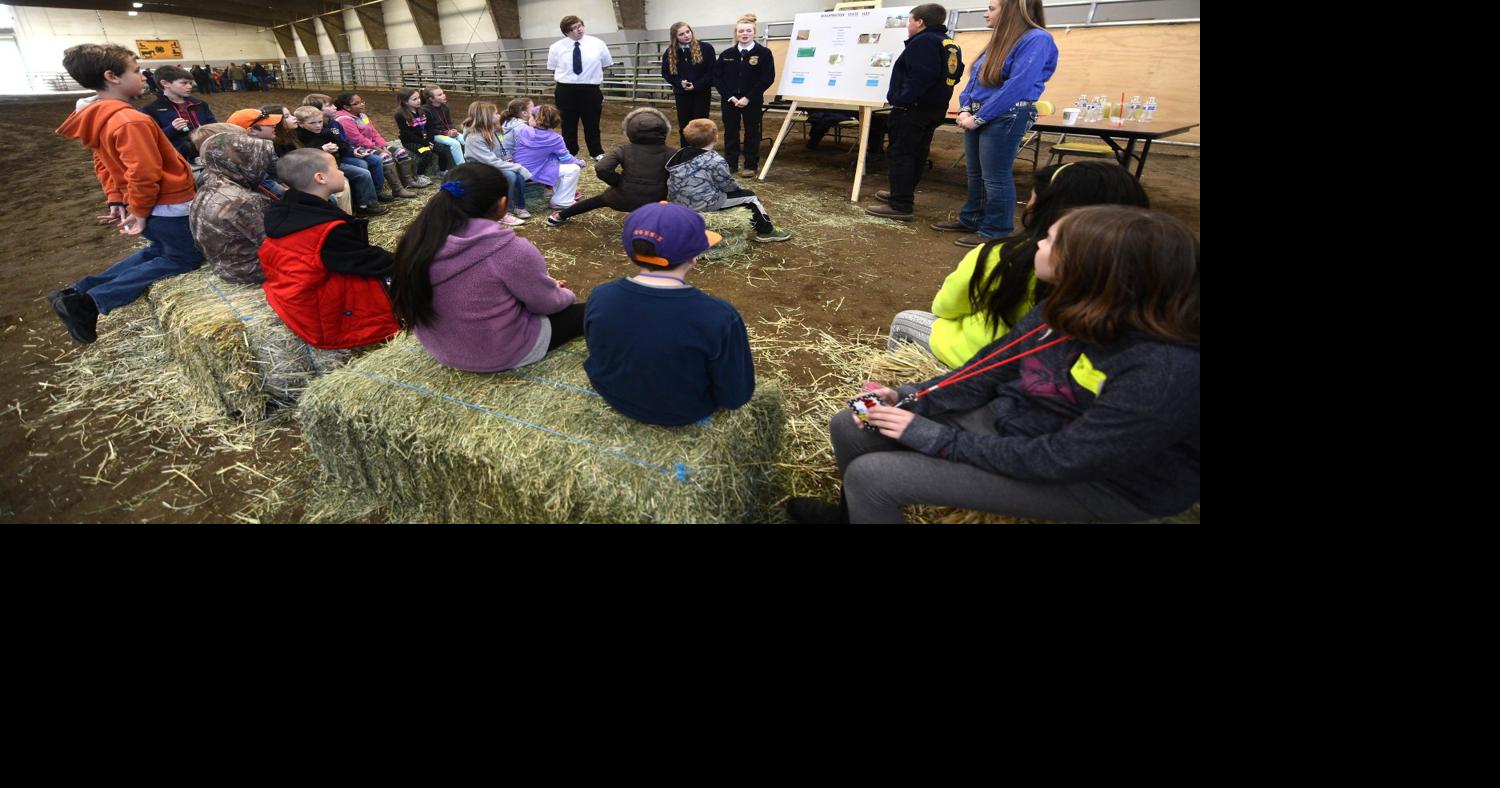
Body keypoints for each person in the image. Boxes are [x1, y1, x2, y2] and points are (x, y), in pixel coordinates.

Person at [787, 205, 1200, 524]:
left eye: (1053, 241)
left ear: (1098, 271)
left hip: (1105, 482)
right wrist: (909, 397)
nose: (1038, 243)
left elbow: (1067, 459)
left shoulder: (1163, 370)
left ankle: (867, 502)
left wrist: (930, 436)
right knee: (852, 421)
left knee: (872, 477)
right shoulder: (1061, 310)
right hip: (1022, 423)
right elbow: (985, 372)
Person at [889, 161, 1149, 367]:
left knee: (906, 321)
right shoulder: (1143, 270)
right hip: (1057, 372)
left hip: (990, 359)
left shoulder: (1007, 257)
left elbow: (945, 306)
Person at [49, 44, 201, 344]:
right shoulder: (131, 120)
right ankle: (91, 302)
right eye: (135, 70)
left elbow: (102, 162)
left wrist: (117, 198)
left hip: (150, 204)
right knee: (186, 257)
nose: (143, 76)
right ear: (112, 76)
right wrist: (140, 212)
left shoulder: (100, 116)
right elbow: (144, 173)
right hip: (167, 204)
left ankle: (78, 291)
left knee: (160, 251)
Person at [392, 164, 582, 373]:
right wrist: (562, 292)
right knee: (593, 309)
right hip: (498, 352)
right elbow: (547, 304)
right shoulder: (511, 250)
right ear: (502, 204)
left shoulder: (417, 239)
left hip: (441, 349)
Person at [583, 202, 754, 427]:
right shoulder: (719, 317)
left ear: (631, 251)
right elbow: (736, 396)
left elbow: (597, 349)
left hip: (610, 393)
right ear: (694, 256)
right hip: (681, 411)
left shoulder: (600, 295)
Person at [932, 0, 1057, 248]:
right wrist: (966, 107)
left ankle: (996, 229)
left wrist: (979, 117)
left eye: (991, 8)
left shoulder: (1037, 39)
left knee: (995, 176)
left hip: (1005, 115)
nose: (985, 13)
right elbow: (976, 79)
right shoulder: (1002, 40)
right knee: (976, 172)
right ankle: (972, 218)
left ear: (1010, 10)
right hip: (982, 115)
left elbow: (1018, 86)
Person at [258, 148, 400, 351]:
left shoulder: (287, 208)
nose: (342, 172)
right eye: (336, 167)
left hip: (287, 290)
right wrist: (409, 259)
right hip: (317, 307)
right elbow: (367, 260)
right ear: (320, 178)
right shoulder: (326, 229)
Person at [866, 4, 962, 222]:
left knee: (902, 153)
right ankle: (902, 192)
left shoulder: (924, 42)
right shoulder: (948, 43)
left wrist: (901, 99)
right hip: (933, 108)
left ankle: (900, 205)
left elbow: (921, 76)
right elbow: (956, 72)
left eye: (910, 21)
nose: (908, 26)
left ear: (920, 22)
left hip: (914, 109)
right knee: (917, 152)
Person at [666, 118, 791, 243]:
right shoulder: (714, 159)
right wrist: (739, 190)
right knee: (750, 197)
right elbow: (727, 185)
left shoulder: (680, 153)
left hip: (677, 201)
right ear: (716, 137)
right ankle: (766, 231)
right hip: (702, 203)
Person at [548, 107, 676, 228]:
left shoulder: (624, 150)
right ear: (665, 131)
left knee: (597, 200)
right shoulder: (672, 153)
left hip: (622, 197)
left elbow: (601, 168)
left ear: (630, 131)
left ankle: (559, 216)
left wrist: (618, 182)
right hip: (656, 201)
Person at [190, 131, 276, 284]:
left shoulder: (210, 182)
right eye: (258, 159)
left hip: (223, 265)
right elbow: (272, 245)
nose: (263, 164)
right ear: (245, 161)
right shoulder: (242, 201)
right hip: (247, 271)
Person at [293, 105, 388, 216]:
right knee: (362, 173)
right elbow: (300, 155)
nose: (318, 126)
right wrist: (322, 149)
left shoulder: (326, 131)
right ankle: (364, 205)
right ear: (300, 124)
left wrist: (347, 150)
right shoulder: (297, 136)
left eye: (320, 121)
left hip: (333, 163)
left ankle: (368, 202)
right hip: (315, 168)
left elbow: (343, 144)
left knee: (365, 169)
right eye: (312, 123)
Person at [713, 14, 775, 178]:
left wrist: (748, 97)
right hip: (730, 100)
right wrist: (729, 97)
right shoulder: (727, 54)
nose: (745, 33)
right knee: (731, 132)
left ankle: (750, 165)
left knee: (752, 132)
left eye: (748, 30)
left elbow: (767, 78)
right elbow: (717, 78)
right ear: (736, 34)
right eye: (741, 31)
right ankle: (731, 164)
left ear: (754, 33)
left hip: (752, 100)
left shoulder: (763, 53)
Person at [330, 92, 421, 196]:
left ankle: (408, 181)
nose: (362, 104)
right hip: (359, 148)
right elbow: (358, 139)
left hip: (372, 144)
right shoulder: (344, 120)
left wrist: (383, 145)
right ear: (347, 107)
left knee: (401, 152)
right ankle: (397, 189)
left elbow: (374, 132)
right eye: (357, 103)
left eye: (361, 102)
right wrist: (380, 149)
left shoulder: (362, 115)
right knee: (385, 157)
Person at [547, 15, 612, 158]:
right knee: (568, 123)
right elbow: (552, 67)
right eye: (573, 28)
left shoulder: (598, 44)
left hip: (590, 89)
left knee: (592, 122)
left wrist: (588, 76)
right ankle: (570, 152)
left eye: (579, 25)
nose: (579, 30)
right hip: (566, 90)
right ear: (566, 32)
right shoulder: (556, 47)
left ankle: (596, 152)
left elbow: (605, 64)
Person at [460, 100, 530, 225]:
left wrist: (508, 160)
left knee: (517, 175)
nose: (499, 115)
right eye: (496, 113)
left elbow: (501, 149)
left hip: (492, 164)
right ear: (486, 117)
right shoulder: (474, 138)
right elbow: (489, 160)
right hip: (478, 168)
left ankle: (519, 206)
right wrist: (516, 167)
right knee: (510, 174)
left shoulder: (495, 130)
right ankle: (502, 213)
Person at [512, 104, 584, 212]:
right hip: (534, 171)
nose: (529, 119)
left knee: (556, 161)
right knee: (573, 168)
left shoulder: (523, 131)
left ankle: (556, 193)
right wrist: (579, 162)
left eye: (531, 116)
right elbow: (566, 158)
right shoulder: (555, 138)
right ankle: (562, 201)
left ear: (537, 119)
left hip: (518, 166)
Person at [141, 64, 216, 161]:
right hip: (177, 158)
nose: (190, 86)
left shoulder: (200, 104)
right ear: (165, 83)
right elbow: (151, 139)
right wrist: (171, 129)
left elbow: (213, 125)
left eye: (190, 83)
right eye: (184, 83)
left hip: (208, 153)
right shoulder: (151, 110)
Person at [660, 21, 716, 148]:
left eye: (688, 32)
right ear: (675, 37)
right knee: (684, 126)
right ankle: (686, 152)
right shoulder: (669, 52)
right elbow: (666, 73)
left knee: (701, 125)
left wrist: (696, 85)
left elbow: (712, 72)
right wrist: (679, 82)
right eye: (681, 34)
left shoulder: (706, 48)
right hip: (682, 95)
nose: (686, 35)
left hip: (701, 93)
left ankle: (702, 152)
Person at [394, 87, 444, 184]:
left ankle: (442, 172)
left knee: (441, 150)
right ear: (405, 101)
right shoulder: (400, 115)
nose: (418, 101)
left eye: (418, 98)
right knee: (427, 153)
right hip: (411, 142)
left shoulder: (424, 112)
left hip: (425, 140)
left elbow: (430, 128)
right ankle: (419, 175)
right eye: (414, 99)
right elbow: (406, 134)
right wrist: (424, 143)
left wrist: (430, 141)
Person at [423, 84, 465, 167]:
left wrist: (453, 130)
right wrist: (445, 133)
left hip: (446, 132)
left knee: (464, 139)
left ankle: (473, 160)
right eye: (439, 95)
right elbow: (429, 130)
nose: (443, 96)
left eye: (443, 93)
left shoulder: (445, 107)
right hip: (435, 135)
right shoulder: (425, 110)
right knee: (455, 143)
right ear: (431, 99)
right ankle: (462, 166)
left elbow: (449, 122)